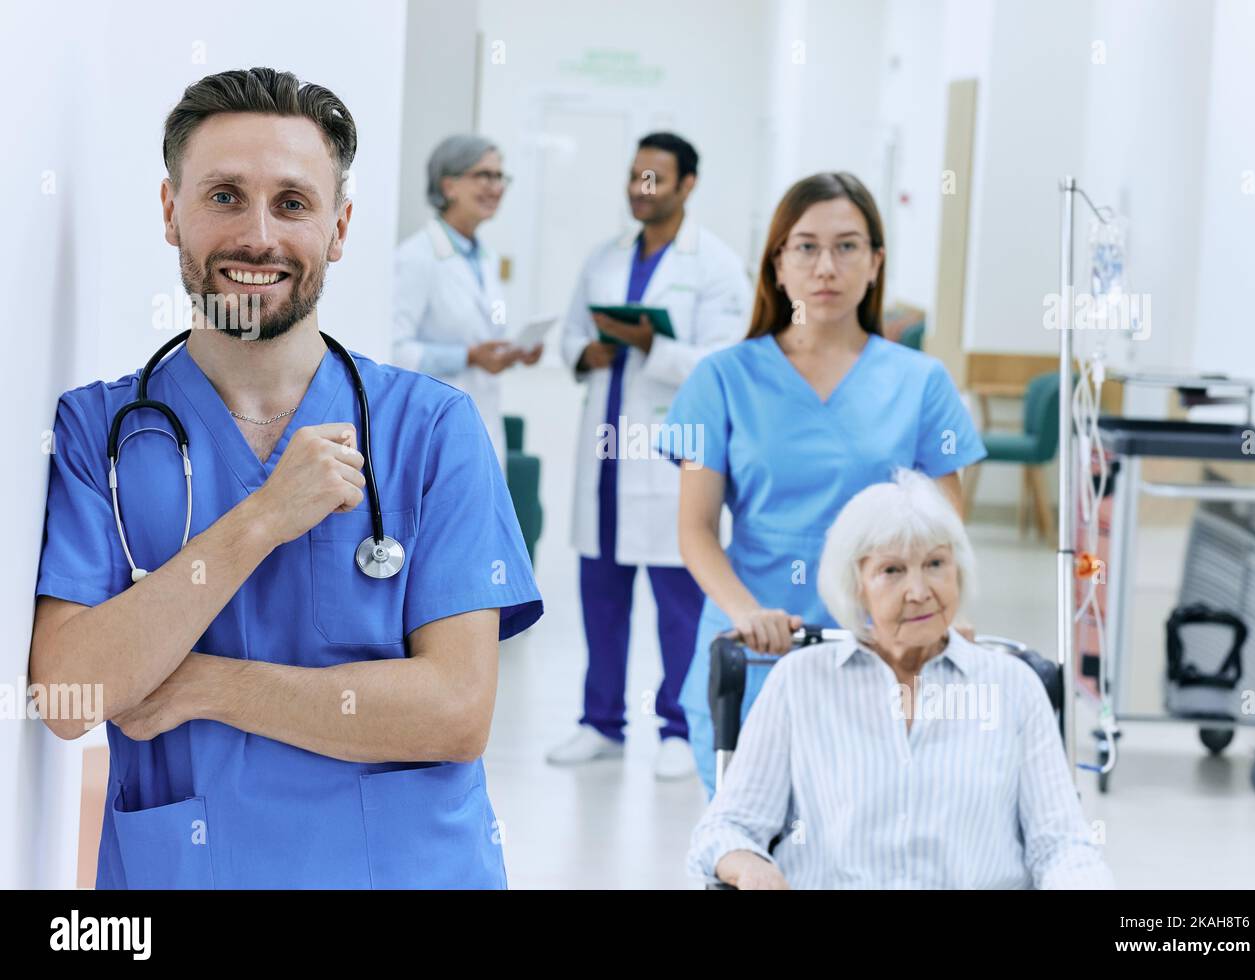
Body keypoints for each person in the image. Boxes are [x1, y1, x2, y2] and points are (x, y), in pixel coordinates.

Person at [28, 68, 542, 889]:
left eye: (293, 204)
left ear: (338, 228)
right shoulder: (101, 433)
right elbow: (67, 697)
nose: (257, 237)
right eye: (224, 195)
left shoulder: (431, 429)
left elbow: (455, 711)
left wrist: (201, 685)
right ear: (172, 212)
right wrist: (263, 519)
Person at [661, 172, 987, 795]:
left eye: (847, 246)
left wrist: (940, 617)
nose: (826, 267)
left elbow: (945, 534)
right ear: (778, 264)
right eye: (805, 246)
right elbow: (696, 530)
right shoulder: (721, 380)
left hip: (882, 649)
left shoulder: (922, 383)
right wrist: (747, 614)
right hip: (754, 649)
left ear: (875, 263)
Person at [686, 470, 1114, 889]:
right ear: (856, 586)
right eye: (892, 571)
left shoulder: (1014, 688)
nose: (919, 591)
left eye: (935, 564)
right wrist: (747, 865)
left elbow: (1061, 845)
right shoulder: (800, 683)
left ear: (958, 570)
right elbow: (728, 826)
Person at [546, 133, 750, 779]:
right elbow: (571, 330)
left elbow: (725, 361)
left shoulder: (715, 265)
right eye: (635, 176)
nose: (641, 188)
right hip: (604, 451)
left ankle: (679, 724)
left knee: (678, 602)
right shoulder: (603, 258)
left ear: (687, 185)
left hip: (668, 456)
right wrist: (586, 352)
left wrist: (650, 346)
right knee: (600, 595)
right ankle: (600, 721)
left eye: (655, 178)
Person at [392, 134, 542, 468]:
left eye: (500, 176)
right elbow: (394, 350)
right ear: (449, 186)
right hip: (435, 427)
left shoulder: (486, 258)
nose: (496, 187)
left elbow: (495, 317)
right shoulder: (417, 257)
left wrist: (514, 349)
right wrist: (468, 357)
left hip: (484, 423)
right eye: (484, 175)